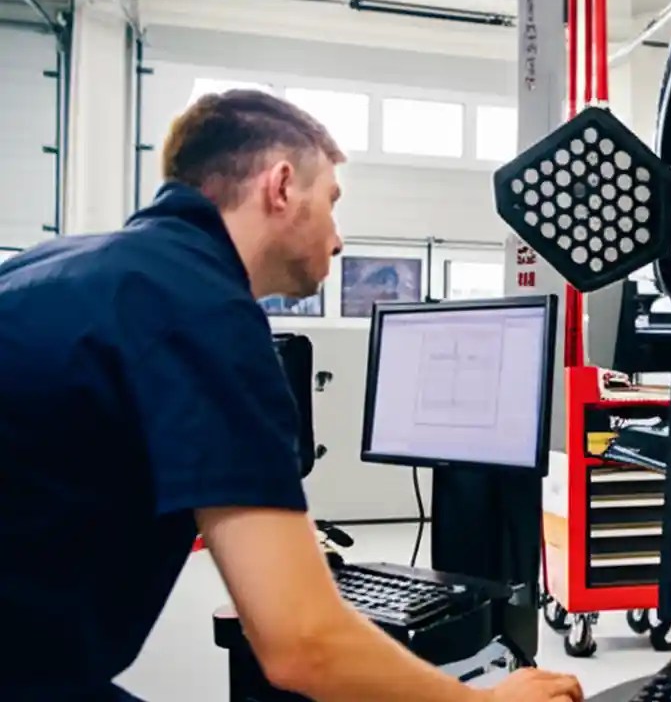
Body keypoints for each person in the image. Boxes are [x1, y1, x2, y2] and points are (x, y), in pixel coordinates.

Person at [0, 90, 584, 702]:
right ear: (281, 187)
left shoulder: (63, 265)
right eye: (331, 202)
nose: (337, 239)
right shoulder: (203, 311)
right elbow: (302, 645)